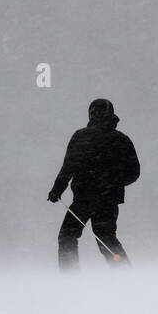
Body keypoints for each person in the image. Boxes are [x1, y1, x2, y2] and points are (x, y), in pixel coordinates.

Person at [47, 98, 140, 270]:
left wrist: (56, 190)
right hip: (109, 200)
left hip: (83, 198)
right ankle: (126, 276)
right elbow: (134, 172)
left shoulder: (81, 136)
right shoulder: (121, 140)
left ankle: (70, 277)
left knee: (67, 236)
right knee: (106, 238)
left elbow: (68, 167)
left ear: (91, 114)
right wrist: (114, 183)